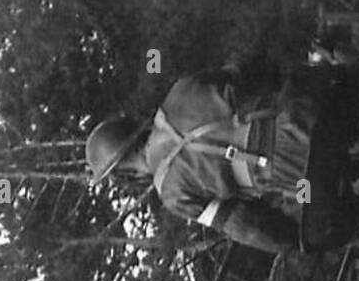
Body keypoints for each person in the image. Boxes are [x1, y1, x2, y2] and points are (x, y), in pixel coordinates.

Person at [86, 67, 322, 254]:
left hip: (298, 169)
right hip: (307, 106)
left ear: (126, 171)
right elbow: (255, 70)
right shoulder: (180, 90)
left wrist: (297, 242)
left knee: (331, 219)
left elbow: (248, 227)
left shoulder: (171, 192)